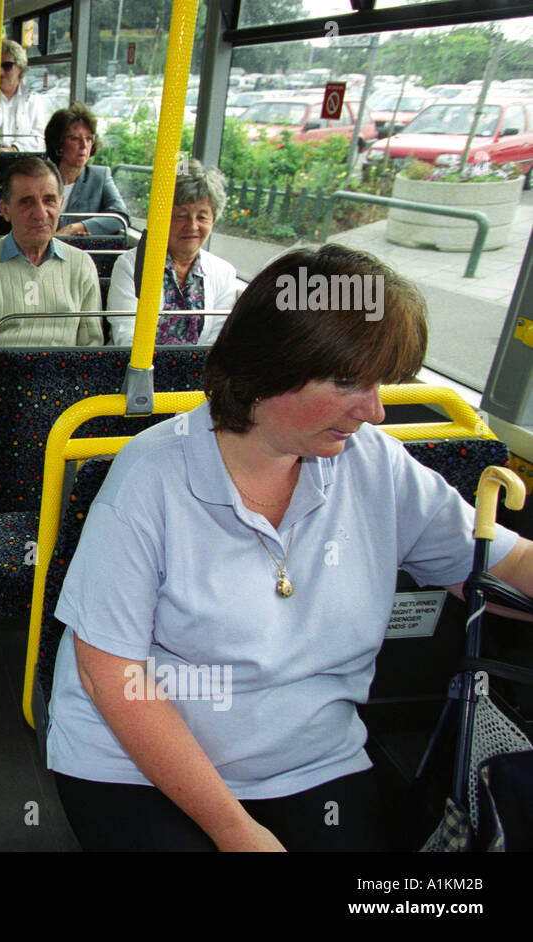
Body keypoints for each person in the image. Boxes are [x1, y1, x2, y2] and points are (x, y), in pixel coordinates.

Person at [47, 243, 533, 851]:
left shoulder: (373, 465)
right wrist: (237, 832)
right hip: (134, 759)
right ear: (267, 368)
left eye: (380, 383)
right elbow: (111, 676)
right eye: (350, 382)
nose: (377, 410)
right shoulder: (150, 479)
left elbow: (502, 566)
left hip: (308, 759)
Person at [0, 157, 102, 609]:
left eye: (50, 200)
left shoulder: (81, 267)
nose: (41, 212)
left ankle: (67, 561)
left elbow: (91, 348)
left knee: (93, 466)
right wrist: (6, 405)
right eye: (27, 202)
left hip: (64, 401)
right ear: (5, 210)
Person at [105, 159, 237, 346]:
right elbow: (126, 337)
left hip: (198, 373)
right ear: (162, 218)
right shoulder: (130, 265)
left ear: (213, 221)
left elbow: (219, 342)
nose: (192, 226)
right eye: (181, 216)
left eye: (202, 217)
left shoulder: (224, 273)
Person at [46, 103, 129, 237]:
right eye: (75, 138)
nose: (84, 145)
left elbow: (120, 216)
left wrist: (76, 228)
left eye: (89, 138)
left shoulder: (100, 176)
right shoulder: (41, 177)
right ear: (59, 143)